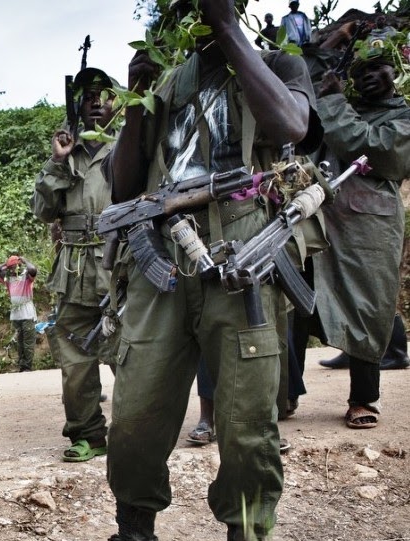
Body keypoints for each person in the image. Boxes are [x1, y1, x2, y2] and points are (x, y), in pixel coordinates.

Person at [103, 0, 321, 539]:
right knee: (134, 415)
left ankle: (246, 529)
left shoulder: (278, 64)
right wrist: (137, 101)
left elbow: (291, 126)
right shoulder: (166, 81)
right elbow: (123, 187)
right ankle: (134, 526)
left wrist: (226, 31)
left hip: (245, 252)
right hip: (162, 256)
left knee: (248, 423)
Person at [297, 28, 410, 429]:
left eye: (377, 67)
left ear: (394, 72)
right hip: (317, 219)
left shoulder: (403, 117)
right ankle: (286, 394)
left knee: (369, 306)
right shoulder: (341, 105)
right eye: (360, 69)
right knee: (298, 301)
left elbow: (372, 148)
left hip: (369, 229)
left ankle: (363, 399)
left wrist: (332, 99)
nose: (367, 76)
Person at [31, 66, 117, 462]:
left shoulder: (128, 146)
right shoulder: (66, 154)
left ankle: (139, 432)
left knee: (130, 351)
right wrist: (57, 163)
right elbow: (43, 212)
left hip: (121, 262)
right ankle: (88, 434)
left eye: (104, 95)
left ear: (117, 103)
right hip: (74, 269)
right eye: (88, 97)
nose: (96, 103)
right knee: (75, 361)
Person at [0, 255, 38, 372]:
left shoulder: (26, 277)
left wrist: (24, 260)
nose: (12, 270)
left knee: (28, 342)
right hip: (16, 315)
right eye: (10, 268)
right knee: (19, 341)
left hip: (27, 314)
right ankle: (22, 365)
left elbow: (33, 270)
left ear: (19, 266)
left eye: (14, 267)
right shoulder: (8, 279)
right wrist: (5, 263)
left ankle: (27, 366)